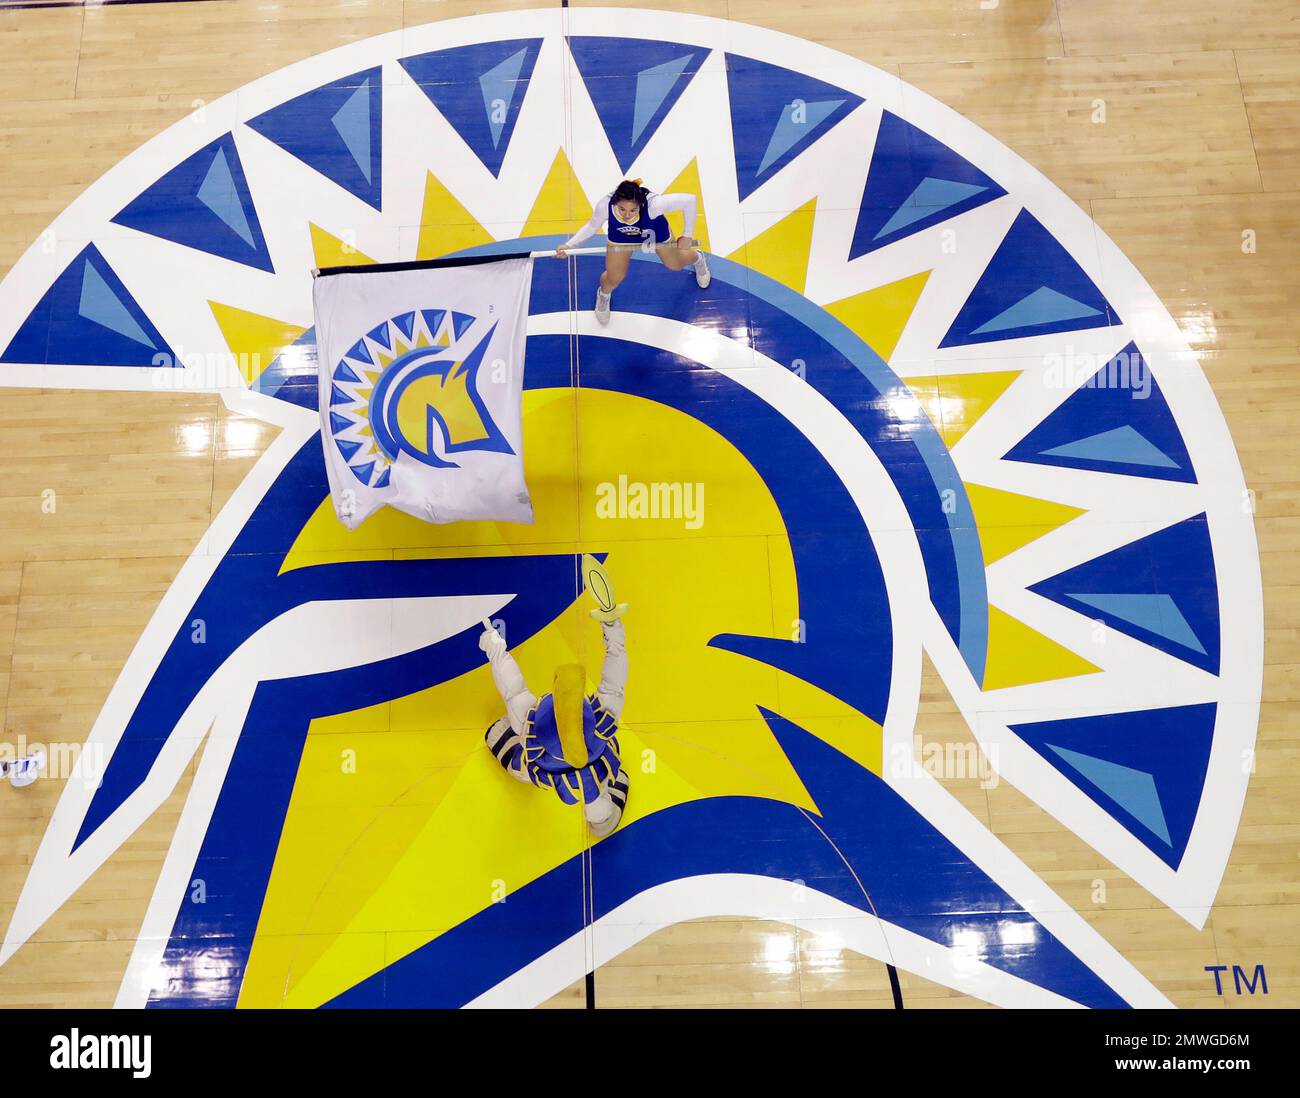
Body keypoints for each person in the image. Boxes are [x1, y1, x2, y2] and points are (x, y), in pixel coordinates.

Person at [480, 559, 631, 838]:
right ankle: (603, 822)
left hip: (542, 766)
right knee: (595, 797)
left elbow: (512, 685)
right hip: (594, 768)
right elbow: (615, 672)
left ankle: (506, 752)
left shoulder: (529, 722)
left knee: (523, 767)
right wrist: (612, 627)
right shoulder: (603, 717)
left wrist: (494, 647)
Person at [555, 178, 710, 325]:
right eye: (622, 209)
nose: (627, 215)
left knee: (675, 265)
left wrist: (688, 236)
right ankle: (603, 294)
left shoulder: (654, 205)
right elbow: (591, 226)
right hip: (621, 239)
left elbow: (689, 200)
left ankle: (697, 258)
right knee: (614, 277)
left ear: (640, 204)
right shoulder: (605, 205)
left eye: (633, 210)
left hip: (655, 235)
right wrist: (569, 245)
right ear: (615, 202)